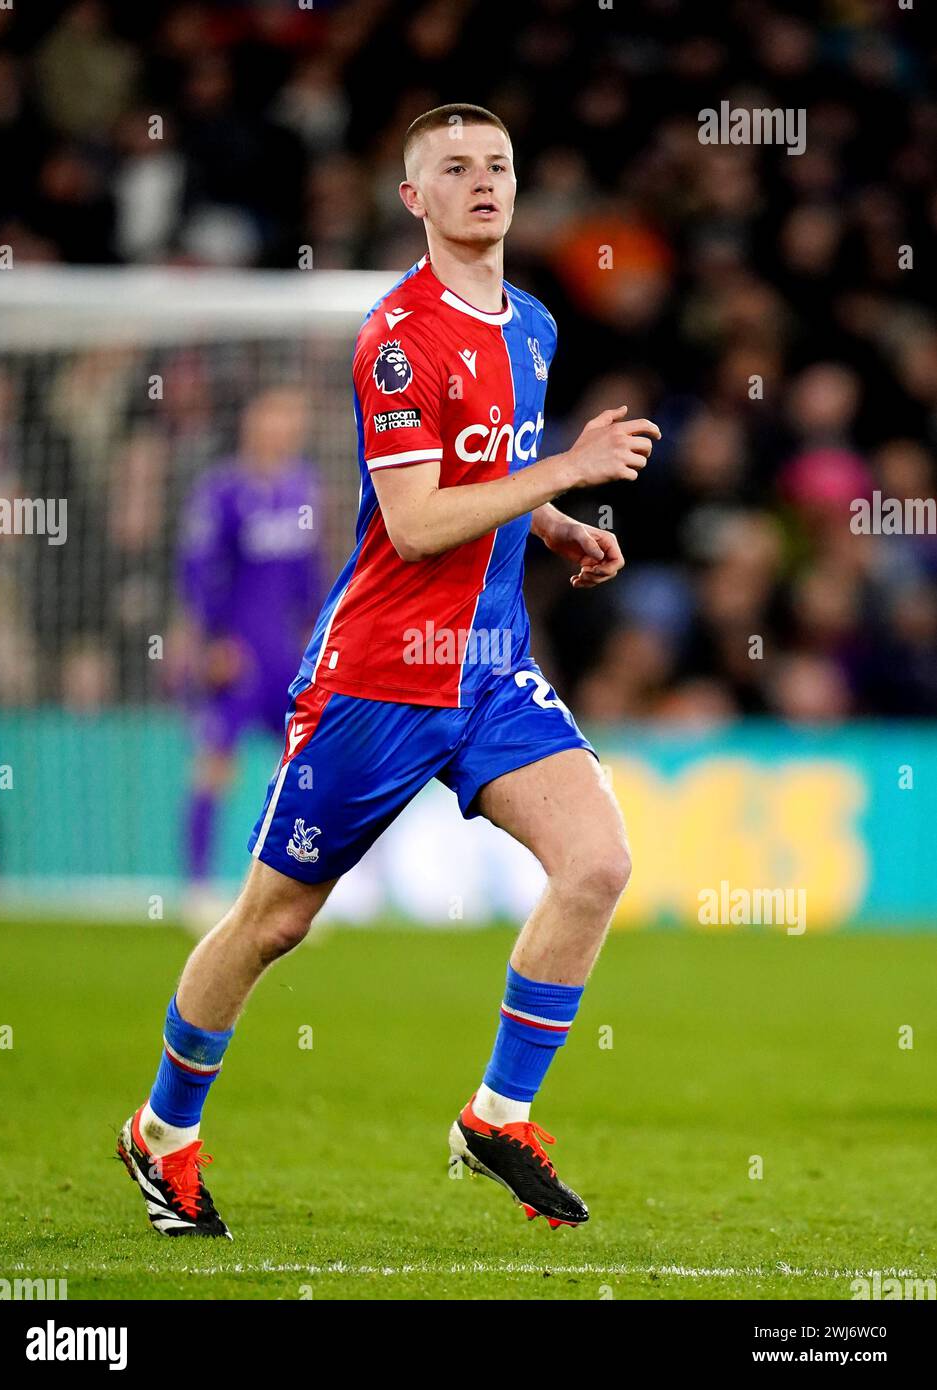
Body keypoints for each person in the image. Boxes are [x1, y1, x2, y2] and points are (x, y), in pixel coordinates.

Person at [116, 103, 660, 1237]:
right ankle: (161, 1129)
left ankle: (496, 1115)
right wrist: (565, 466)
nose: (483, 183)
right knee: (271, 923)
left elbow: (491, 467)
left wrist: (552, 518)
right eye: (454, 169)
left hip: (490, 665)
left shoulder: (536, 324)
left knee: (598, 863)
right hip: (378, 677)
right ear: (412, 197)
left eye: (499, 166)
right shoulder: (398, 339)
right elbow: (413, 525)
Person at [176, 388, 324, 921]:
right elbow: (197, 571)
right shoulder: (221, 492)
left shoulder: (304, 488)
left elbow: (308, 576)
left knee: (303, 766)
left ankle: (288, 892)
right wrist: (210, 641)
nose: (282, 428)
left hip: (286, 655)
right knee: (215, 765)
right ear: (251, 422)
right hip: (236, 651)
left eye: (291, 418)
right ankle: (196, 889)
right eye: (273, 416)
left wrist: (318, 634)